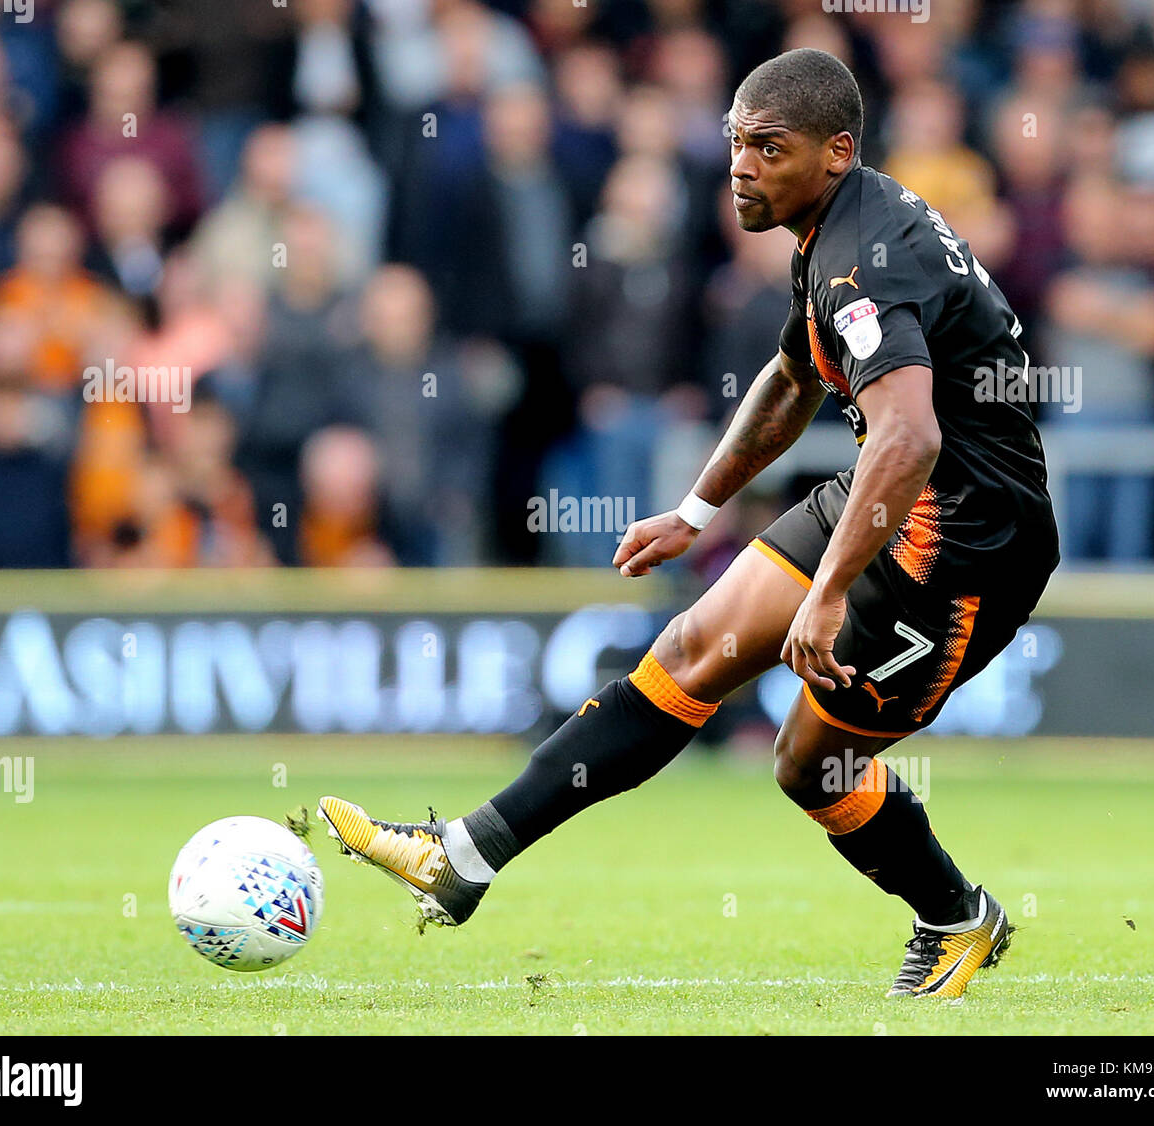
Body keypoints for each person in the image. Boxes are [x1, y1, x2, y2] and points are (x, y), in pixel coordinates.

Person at [318, 49, 1060, 1001]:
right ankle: (465, 856)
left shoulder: (864, 254)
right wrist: (697, 509)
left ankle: (957, 917)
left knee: (811, 767)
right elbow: (795, 378)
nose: (742, 166)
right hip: (896, 499)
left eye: (768, 148)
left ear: (835, 152)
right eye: (736, 143)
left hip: (964, 550)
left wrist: (828, 593)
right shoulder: (833, 229)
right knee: (693, 644)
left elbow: (910, 434)